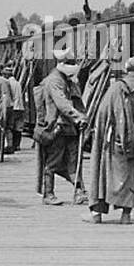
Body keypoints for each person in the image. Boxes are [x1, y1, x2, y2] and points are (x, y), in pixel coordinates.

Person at [88, 55, 134, 224]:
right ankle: (126, 214)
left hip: (117, 140)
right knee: (132, 176)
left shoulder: (115, 88)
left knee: (108, 174)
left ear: (126, 69)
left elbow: (103, 114)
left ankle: (97, 213)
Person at [37, 50, 87, 205]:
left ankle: (79, 192)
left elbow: (77, 101)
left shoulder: (67, 80)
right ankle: (48, 194)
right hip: (57, 127)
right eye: (71, 64)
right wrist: (78, 117)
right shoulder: (54, 80)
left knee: (74, 161)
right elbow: (62, 103)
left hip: (70, 127)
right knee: (53, 162)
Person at [3, 63, 24, 153]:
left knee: (10, 127)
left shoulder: (8, 83)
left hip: (13, 107)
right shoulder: (17, 82)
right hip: (20, 107)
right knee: (18, 127)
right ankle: (17, 145)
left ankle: (11, 145)